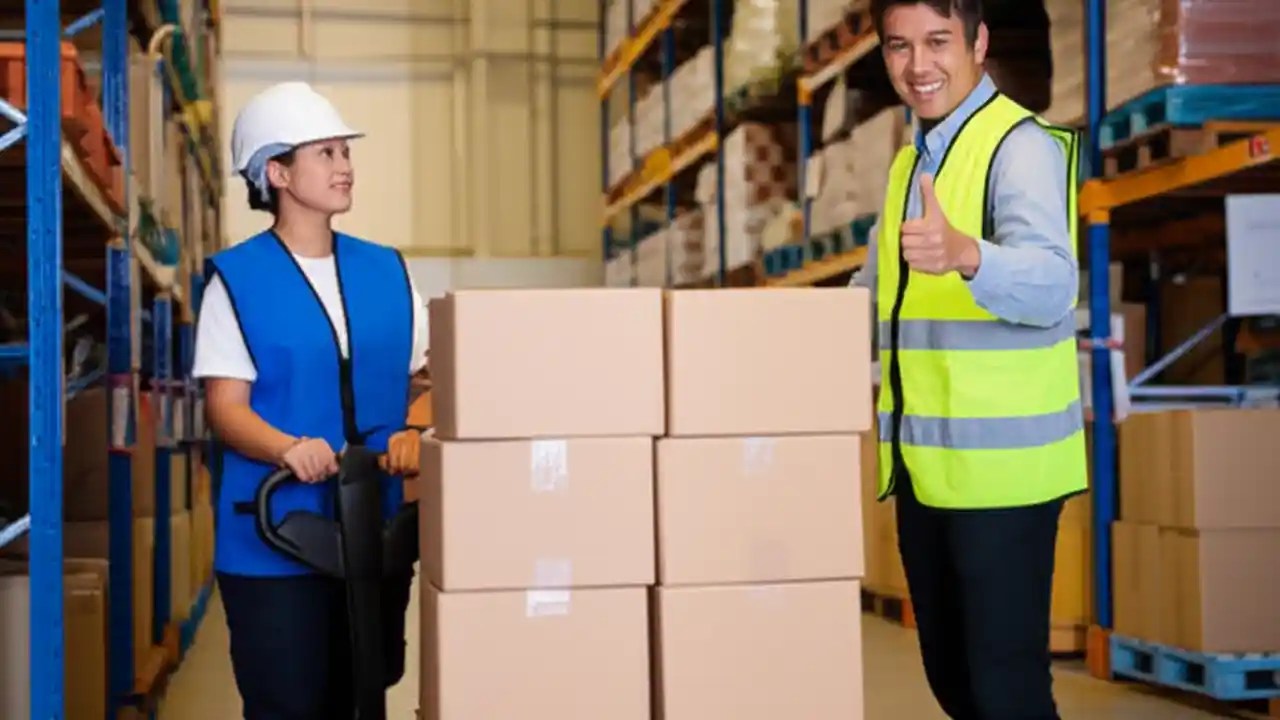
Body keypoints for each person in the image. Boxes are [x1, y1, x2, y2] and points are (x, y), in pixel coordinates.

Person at [852, 1, 1086, 718]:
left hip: (1003, 477)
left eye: (937, 42)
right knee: (953, 681)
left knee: (1003, 690)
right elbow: (874, 299)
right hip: (929, 471)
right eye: (899, 46)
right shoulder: (908, 166)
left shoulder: (1018, 146)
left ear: (978, 42)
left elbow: (1054, 282)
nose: (918, 66)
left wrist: (967, 255)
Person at [193, 80, 432, 719]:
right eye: (324, 153)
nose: (344, 166)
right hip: (276, 536)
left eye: (344, 152)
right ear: (277, 172)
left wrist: (414, 428)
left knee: (366, 694)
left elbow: (428, 379)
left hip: (374, 528)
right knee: (292, 705)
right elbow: (225, 406)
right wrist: (288, 448)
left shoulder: (388, 270)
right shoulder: (237, 282)